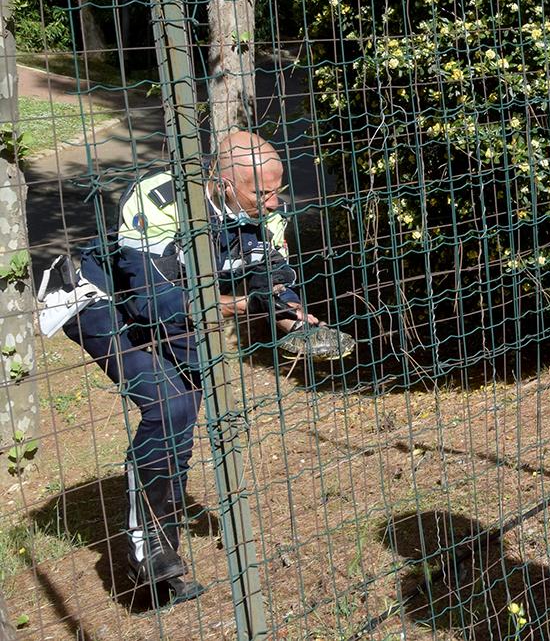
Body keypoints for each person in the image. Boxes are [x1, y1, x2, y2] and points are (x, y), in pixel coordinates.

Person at [36, 131, 354, 605]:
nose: (272, 203)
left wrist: (294, 316)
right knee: (168, 405)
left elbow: (273, 276)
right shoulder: (160, 199)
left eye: (276, 190)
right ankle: (148, 554)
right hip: (104, 302)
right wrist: (248, 305)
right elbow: (155, 305)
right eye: (259, 193)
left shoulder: (265, 213)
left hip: (177, 306)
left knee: (183, 407)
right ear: (222, 183)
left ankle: (159, 557)